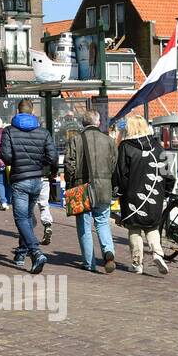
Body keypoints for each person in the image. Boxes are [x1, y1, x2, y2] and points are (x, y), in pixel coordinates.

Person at [0, 98, 54, 274]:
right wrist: (39, 164)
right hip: (37, 179)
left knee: (21, 218)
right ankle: (21, 253)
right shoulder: (43, 132)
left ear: (17, 111)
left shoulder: (9, 131)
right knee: (28, 217)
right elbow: (52, 157)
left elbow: (6, 156)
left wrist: (17, 161)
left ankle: (36, 252)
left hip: (20, 178)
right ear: (32, 112)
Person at [113, 114, 170, 275]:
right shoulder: (157, 146)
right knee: (152, 226)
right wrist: (166, 190)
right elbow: (166, 171)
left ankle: (137, 263)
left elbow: (121, 173)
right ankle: (157, 253)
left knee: (134, 228)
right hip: (155, 194)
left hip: (132, 194)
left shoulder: (125, 147)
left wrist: (118, 190)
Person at [65, 109, 119, 273]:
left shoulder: (76, 140)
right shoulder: (109, 141)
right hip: (104, 187)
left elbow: (69, 164)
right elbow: (114, 164)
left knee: (84, 226)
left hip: (82, 188)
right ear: (98, 123)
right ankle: (108, 251)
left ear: (83, 123)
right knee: (103, 222)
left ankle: (89, 263)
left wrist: (70, 184)